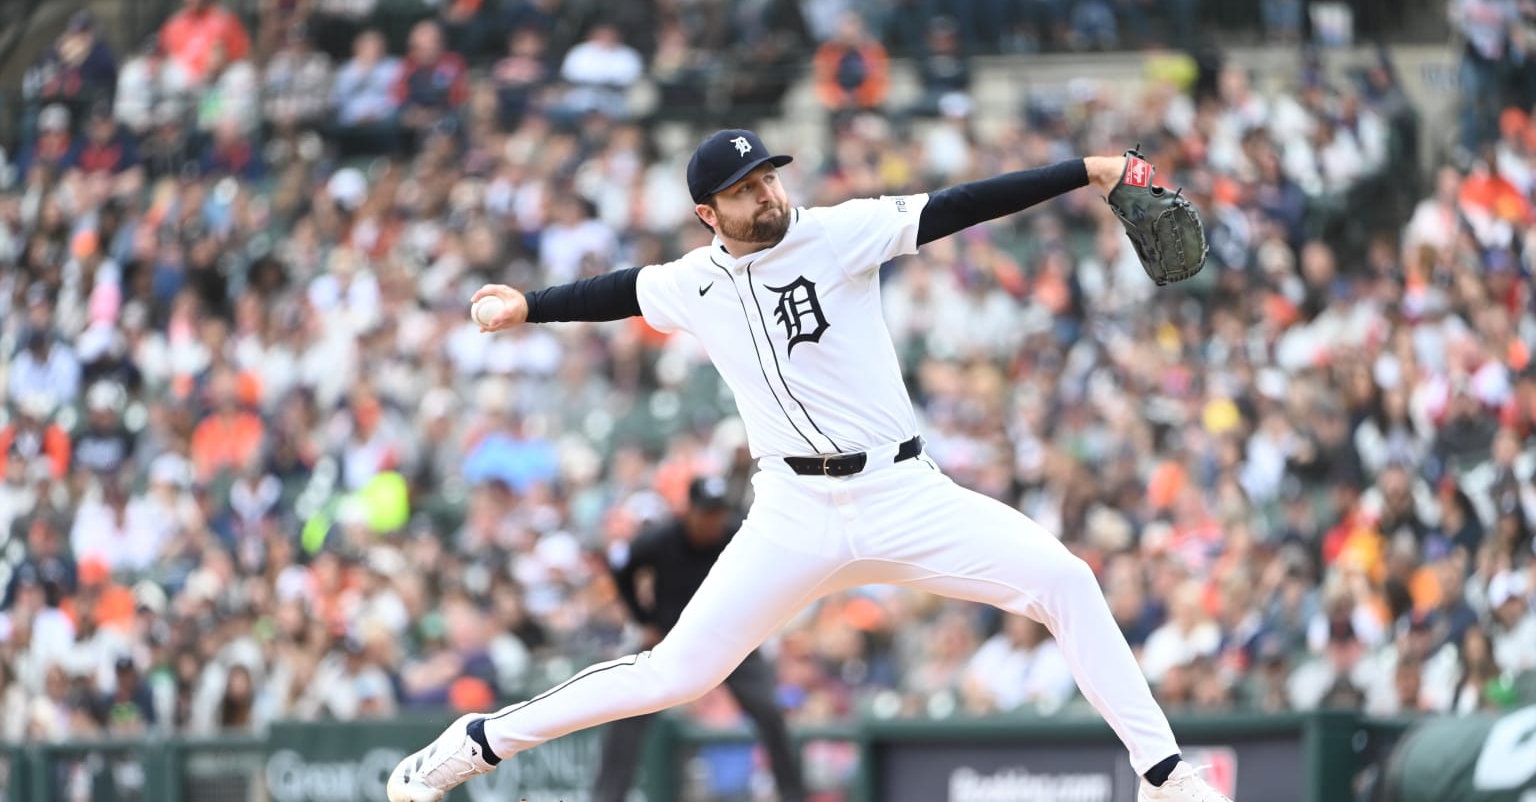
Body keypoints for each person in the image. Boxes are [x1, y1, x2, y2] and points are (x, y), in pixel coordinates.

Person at [388, 128, 1234, 802]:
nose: (768, 193)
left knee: (1065, 579)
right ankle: (477, 741)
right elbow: (618, 291)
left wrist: (1083, 170)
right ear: (707, 214)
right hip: (793, 512)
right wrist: (528, 307)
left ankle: (1163, 774)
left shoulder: (840, 233)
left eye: (769, 178)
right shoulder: (694, 282)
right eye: (746, 190)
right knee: (676, 673)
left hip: (903, 491)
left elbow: (960, 206)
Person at [592, 476, 806, 802]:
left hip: (730, 639)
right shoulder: (661, 539)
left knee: (770, 713)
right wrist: (642, 619)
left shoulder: (738, 533)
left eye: (718, 513)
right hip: (670, 639)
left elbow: (771, 573)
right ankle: (607, 797)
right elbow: (622, 567)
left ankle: (793, 795)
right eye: (707, 513)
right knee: (626, 712)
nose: (713, 521)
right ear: (689, 511)